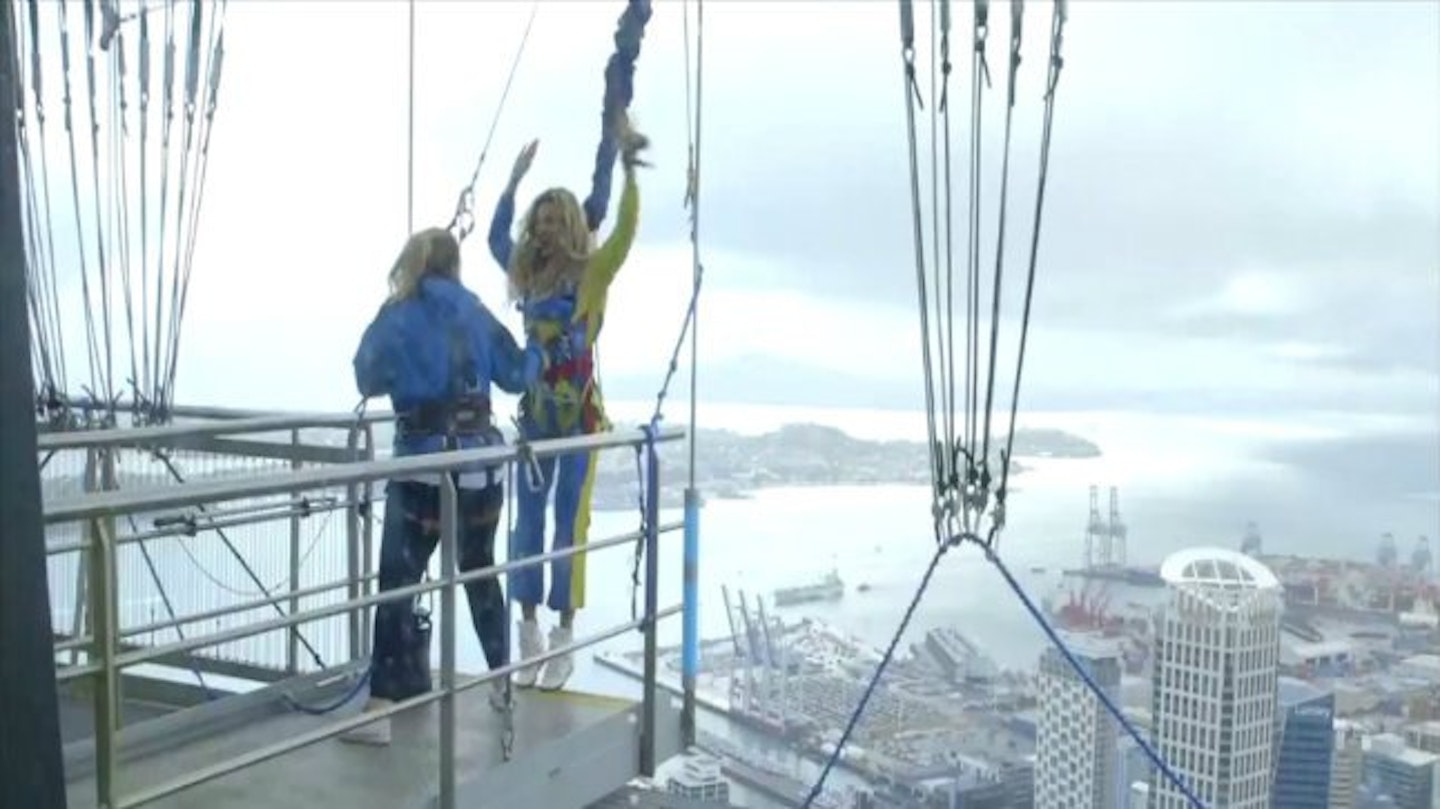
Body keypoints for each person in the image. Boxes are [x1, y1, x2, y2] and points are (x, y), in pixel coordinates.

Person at [341, 227, 546, 746]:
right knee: (480, 573)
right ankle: (502, 683)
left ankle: (380, 708)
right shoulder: (475, 312)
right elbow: (519, 373)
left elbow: (366, 376)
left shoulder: (399, 313)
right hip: (480, 469)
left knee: (399, 584)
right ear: (454, 266)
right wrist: (543, 349)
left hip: (421, 471)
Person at [486, 111, 648, 691]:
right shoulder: (527, 276)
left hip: (578, 418)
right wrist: (509, 185)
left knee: (567, 526)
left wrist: (630, 173)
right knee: (526, 526)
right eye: (543, 219)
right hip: (536, 420)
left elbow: (626, 235)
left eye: (558, 220)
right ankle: (527, 630)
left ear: (573, 226)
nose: (549, 228)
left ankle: (563, 635)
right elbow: (493, 240)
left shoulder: (589, 275)